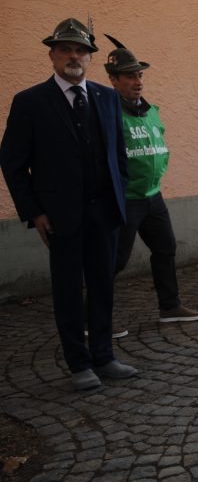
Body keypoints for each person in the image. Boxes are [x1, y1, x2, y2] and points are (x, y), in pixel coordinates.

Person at [1, 19, 135, 392]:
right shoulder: (30, 102)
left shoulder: (107, 97)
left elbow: (118, 155)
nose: (73, 56)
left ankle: (105, 356)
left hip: (104, 211)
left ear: (90, 58)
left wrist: (118, 197)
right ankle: (79, 363)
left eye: (81, 51)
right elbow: (12, 161)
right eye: (65, 50)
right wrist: (35, 212)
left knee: (103, 286)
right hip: (60, 216)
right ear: (52, 56)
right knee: (67, 289)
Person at [104, 37, 198, 323]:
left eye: (140, 75)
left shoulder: (151, 112)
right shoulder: (109, 115)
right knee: (114, 261)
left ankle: (170, 306)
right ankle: (94, 319)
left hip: (153, 196)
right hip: (125, 199)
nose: (137, 81)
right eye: (130, 76)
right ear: (113, 80)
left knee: (166, 249)